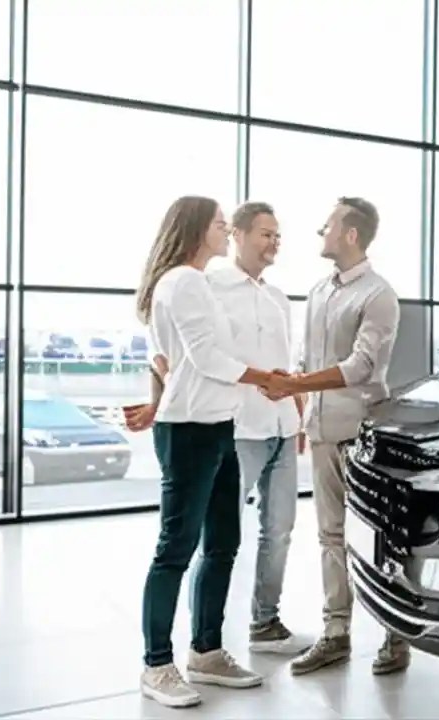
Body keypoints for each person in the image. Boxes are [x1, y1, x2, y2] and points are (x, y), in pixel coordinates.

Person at [130, 196, 293, 709]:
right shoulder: (183, 281)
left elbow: (173, 356)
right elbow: (206, 357)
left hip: (221, 424)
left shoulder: (192, 283)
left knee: (223, 543)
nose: (226, 232)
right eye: (221, 225)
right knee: (174, 550)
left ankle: (207, 650)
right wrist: (265, 378)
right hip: (189, 432)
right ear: (199, 230)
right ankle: (157, 664)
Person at [265, 197, 411, 677]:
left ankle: (395, 635)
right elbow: (309, 362)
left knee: (378, 536)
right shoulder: (318, 292)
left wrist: (297, 385)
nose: (320, 231)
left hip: (362, 432)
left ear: (351, 235)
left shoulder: (378, 294)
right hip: (323, 432)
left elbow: (361, 367)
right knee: (329, 535)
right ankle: (336, 634)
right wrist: (301, 402)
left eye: (327, 225)